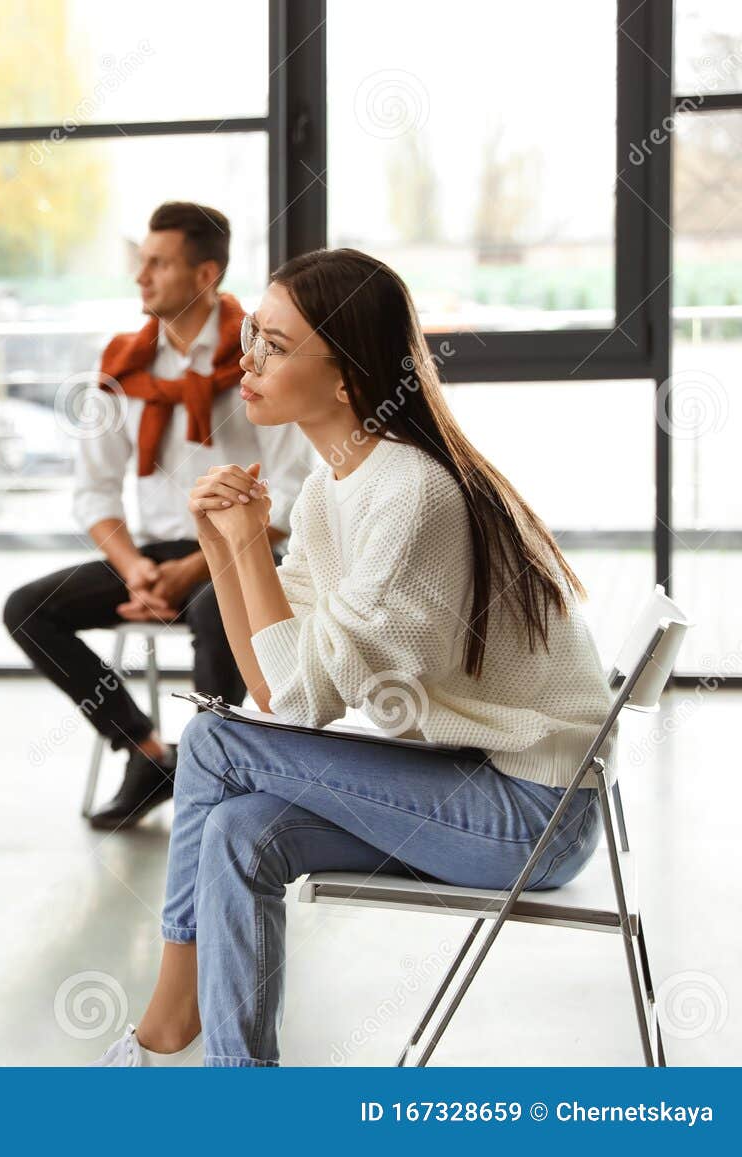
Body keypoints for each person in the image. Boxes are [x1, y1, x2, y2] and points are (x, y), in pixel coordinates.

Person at [91, 248, 611, 1067]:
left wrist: (249, 547)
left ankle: (165, 1021)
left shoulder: (410, 491)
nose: (245, 359)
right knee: (239, 826)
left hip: (532, 817)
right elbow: (270, 683)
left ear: (346, 379)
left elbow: (296, 703)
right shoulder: (336, 482)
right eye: (251, 336)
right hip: (484, 787)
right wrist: (223, 543)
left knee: (214, 743)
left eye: (274, 344)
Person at [3, 202, 312, 830]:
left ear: (205, 275)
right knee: (28, 608)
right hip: (154, 553)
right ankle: (149, 754)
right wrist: (138, 570)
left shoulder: (258, 358)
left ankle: (212, 768)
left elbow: (293, 491)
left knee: (210, 607)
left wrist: (200, 568)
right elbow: (94, 492)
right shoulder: (123, 364)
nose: (141, 277)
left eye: (158, 264)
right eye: (141, 262)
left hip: (248, 552)